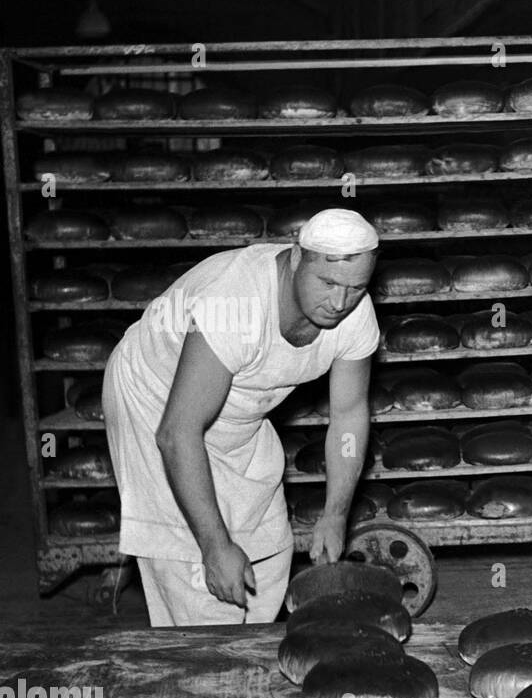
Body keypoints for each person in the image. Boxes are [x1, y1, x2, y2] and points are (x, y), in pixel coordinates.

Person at [103, 208, 381, 626]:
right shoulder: (234, 304)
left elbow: (347, 416)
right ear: (294, 257)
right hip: (154, 397)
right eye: (327, 283)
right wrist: (214, 546)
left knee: (268, 547)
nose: (340, 302)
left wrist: (335, 513)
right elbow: (178, 433)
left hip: (240, 404)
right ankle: (202, 664)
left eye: (355, 288)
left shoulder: (355, 313)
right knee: (197, 570)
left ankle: (246, 654)